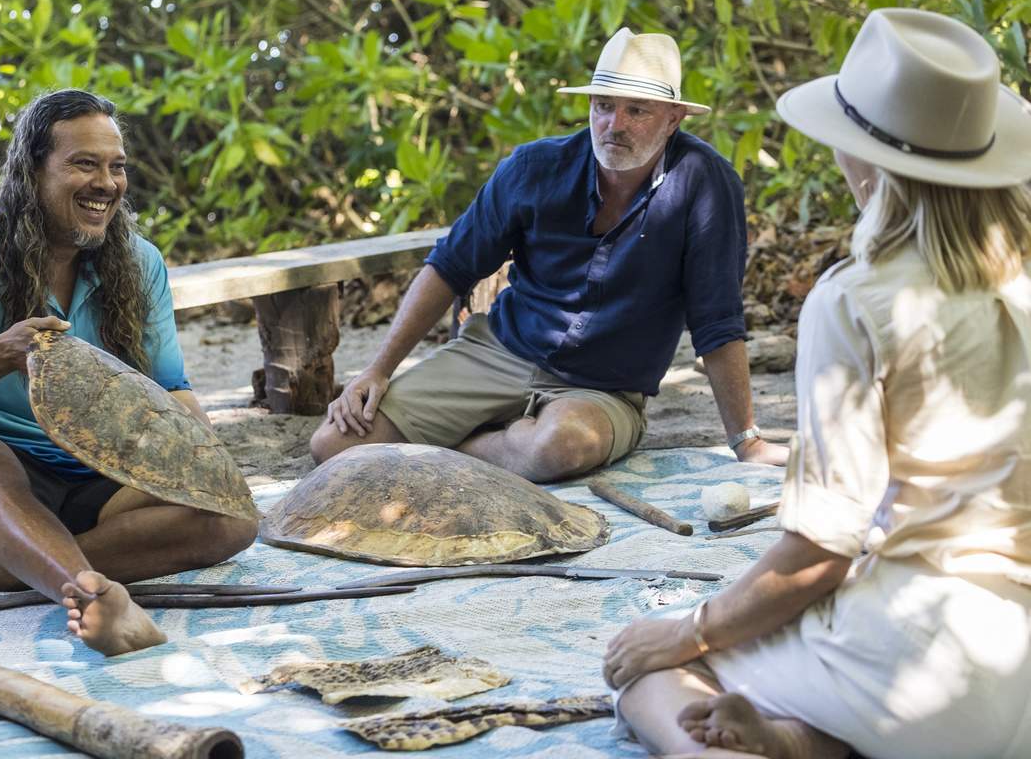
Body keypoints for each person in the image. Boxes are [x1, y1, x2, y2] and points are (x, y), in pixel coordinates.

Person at [602, 8, 1031, 759]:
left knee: (649, 676)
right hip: (1018, 667)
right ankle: (800, 739)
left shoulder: (858, 299)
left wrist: (688, 631)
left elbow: (819, 553)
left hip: (917, 662)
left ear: (863, 158)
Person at [0, 89, 257, 657]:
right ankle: (94, 598)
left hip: (85, 475)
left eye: (117, 166)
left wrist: (204, 461)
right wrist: (2, 352)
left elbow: (171, 391)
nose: (107, 183)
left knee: (231, 519)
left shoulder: (140, 262)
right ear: (32, 172)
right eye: (84, 164)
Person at [310, 27, 787, 479]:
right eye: (603, 106)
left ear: (673, 118)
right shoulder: (534, 167)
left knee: (560, 446)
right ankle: (500, 442)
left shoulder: (705, 183)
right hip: (499, 352)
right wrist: (378, 370)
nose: (614, 125)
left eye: (637, 111)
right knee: (337, 443)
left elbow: (717, 321)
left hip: (600, 388)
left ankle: (462, 447)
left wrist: (746, 441)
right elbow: (450, 267)